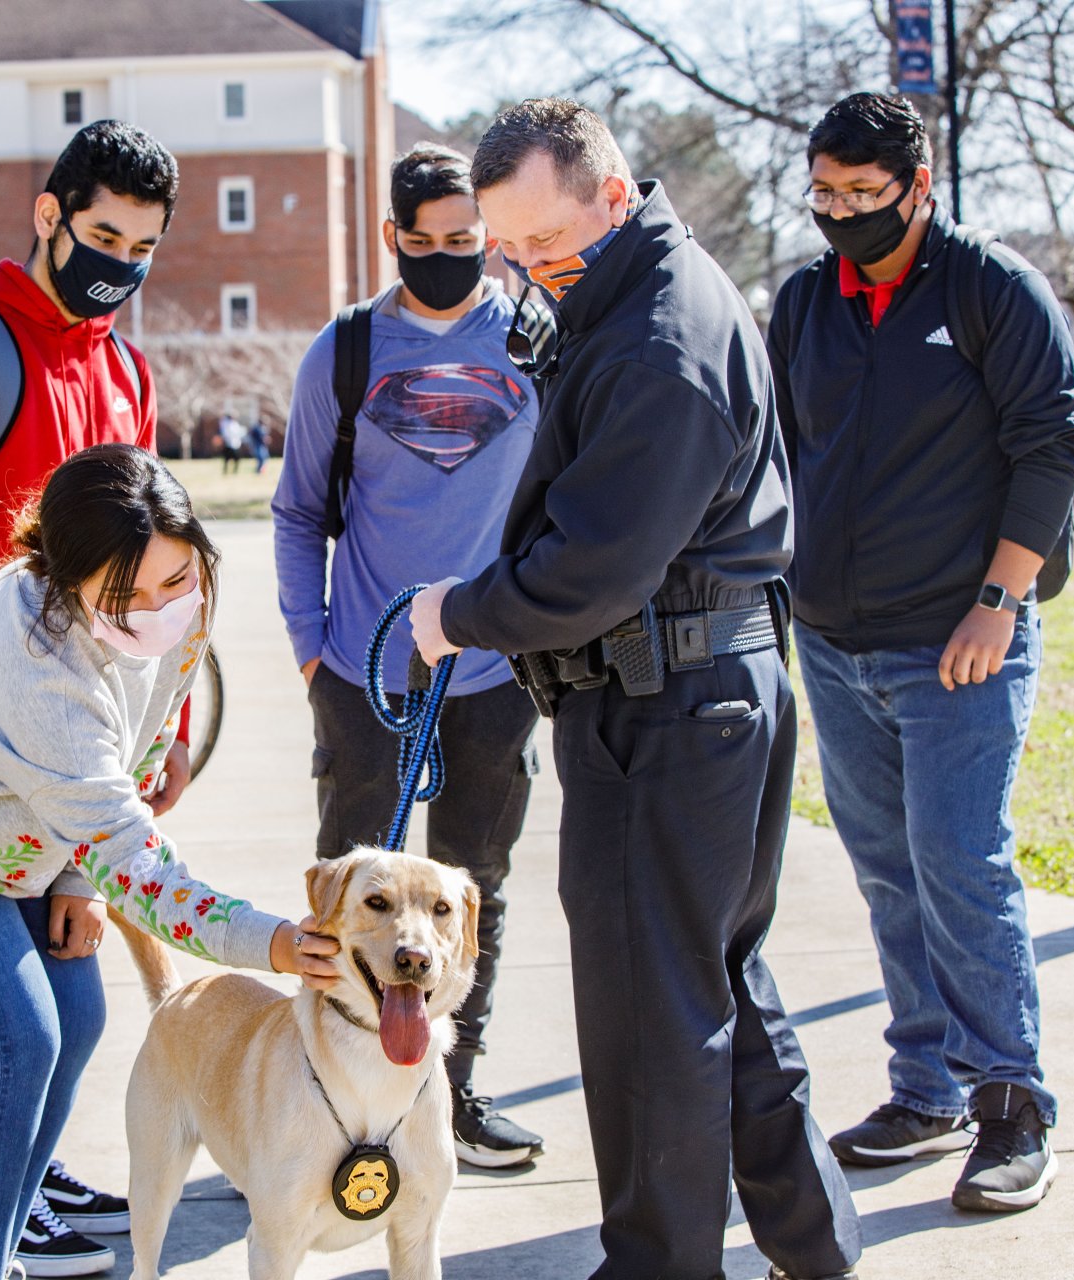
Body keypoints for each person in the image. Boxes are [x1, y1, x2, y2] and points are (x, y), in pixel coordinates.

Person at [407, 98, 862, 1280]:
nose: (526, 273)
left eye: (546, 248)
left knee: (648, 1014)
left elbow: (593, 569)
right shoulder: (639, 295)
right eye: (509, 249)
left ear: (615, 195)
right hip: (707, 687)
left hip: (665, 704)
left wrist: (456, 612)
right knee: (715, 976)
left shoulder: (659, 336)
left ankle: (660, 1263)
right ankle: (813, 1246)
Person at [0, 445, 335, 1280]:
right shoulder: (40, 668)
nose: (162, 611)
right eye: (127, 600)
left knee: (77, 1019)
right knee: (18, 1040)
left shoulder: (180, 592)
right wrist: (270, 941)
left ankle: (0, 1237)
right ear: (66, 582)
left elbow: (147, 729)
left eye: (177, 581)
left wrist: (76, 879)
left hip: (16, 807)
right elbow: (138, 862)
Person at [768, 92, 1074, 1214]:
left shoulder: (991, 289)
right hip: (836, 639)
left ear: (920, 186)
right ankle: (926, 1089)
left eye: (866, 194)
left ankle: (1013, 1103)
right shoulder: (805, 301)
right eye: (826, 192)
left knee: (961, 858)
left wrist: (1001, 599)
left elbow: (1054, 443)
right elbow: (778, 449)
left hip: (960, 638)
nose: (844, 212)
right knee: (888, 869)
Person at [0, 119, 189, 1274]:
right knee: (21, 1031)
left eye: (142, 245)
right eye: (102, 231)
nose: (117, 260)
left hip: (78, 753)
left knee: (76, 1015)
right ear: (47, 213)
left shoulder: (124, 365)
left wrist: (153, 739)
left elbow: (146, 575)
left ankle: (25, 1188)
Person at [272, 141, 545, 1168]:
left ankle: (452, 1094)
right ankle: (325, 1101)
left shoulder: (532, 338)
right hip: (363, 671)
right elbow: (299, 511)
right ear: (392, 236)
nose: (445, 257)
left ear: (491, 234)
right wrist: (312, 654)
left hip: (494, 669)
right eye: (423, 242)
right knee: (350, 900)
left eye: (465, 241)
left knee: (472, 888)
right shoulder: (343, 353)